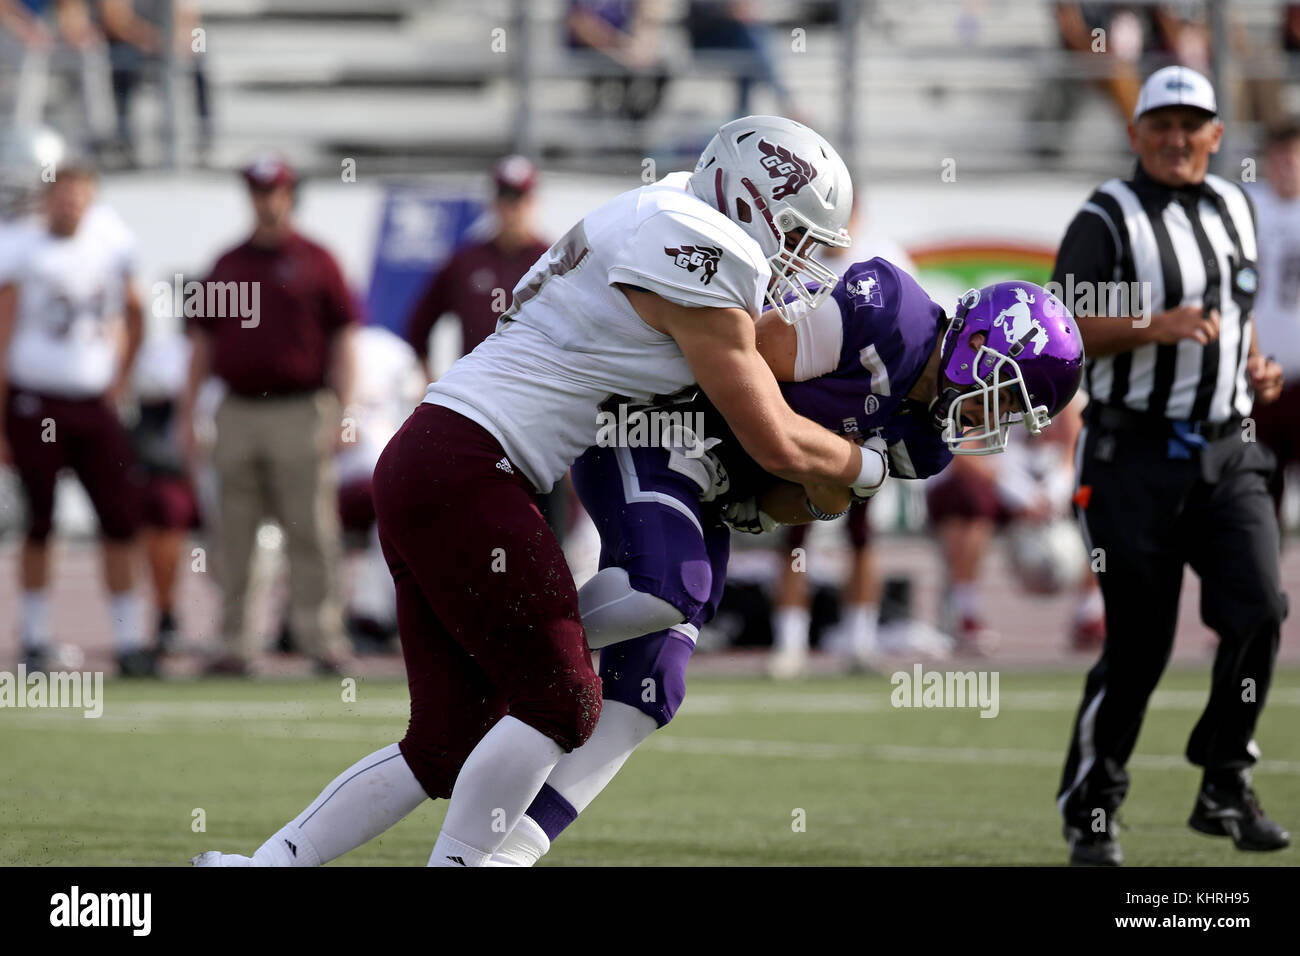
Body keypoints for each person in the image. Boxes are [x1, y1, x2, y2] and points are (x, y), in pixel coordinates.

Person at [192, 114, 876, 868]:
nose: (801, 258)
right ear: (753, 202)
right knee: (563, 699)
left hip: (433, 459)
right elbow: (773, 436)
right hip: (468, 468)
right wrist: (869, 466)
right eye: (799, 234)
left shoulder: (665, 207)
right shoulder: (696, 250)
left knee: (446, 742)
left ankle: (266, 866)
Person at [486, 269, 1084, 866]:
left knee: (649, 694)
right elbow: (741, 364)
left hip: (714, 489)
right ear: (981, 341)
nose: (995, 417)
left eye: (1011, 412)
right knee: (668, 587)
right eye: (1005, 395)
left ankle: (510, 851)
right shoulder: (890, 314)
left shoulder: (926, 443)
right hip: (660, 427)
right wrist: (841, 460)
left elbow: (789, 505)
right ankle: (492, 642)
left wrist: (829, 485)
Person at [1054, 66, 1290, 866]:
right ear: (1136, 133)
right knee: (1141, 642)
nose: (1178, 137)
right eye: (1162, 123)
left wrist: (1254, 365)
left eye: (1194, 125)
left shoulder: (1234, 204)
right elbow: (1063, 327)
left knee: (1260, 610)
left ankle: (1224, 777)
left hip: (1229, 446)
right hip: (1131, 455)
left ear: (1217, 136)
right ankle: (1093, 809)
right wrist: (1153, 325)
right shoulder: (1106, 216)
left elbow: (1235, 310)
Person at [179, 155, 356, 677]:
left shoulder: (318, 260)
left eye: (274, 191)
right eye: (257, 191)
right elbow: (201, 346)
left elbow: (343, 339)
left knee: (311, 528)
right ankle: (235, 642)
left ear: (289, 194)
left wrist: (344, 411)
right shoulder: (227, 263)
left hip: (300, 409)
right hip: (237, 409)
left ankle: (321, 639)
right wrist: (191, 413)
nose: (266, 201)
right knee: (233, 532)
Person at [0, 160, 152, 675]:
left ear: (91, 200)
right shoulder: (22, 248)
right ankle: (36, 639)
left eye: (78, 198)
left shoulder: (110, 240)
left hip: (92, 401)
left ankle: (130, 640)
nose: (70, 207)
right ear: (47, 201)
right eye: (62, 198)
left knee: (119, 517)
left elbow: (135, 311)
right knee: (39, 521)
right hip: (35, 400)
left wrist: (120, 376)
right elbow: (2, 333)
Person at [1245, 121, 1300, 527]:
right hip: (1259, 375)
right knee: (1258, 496)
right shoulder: (1246, 207)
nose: (1289, 165)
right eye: (1281, 157)